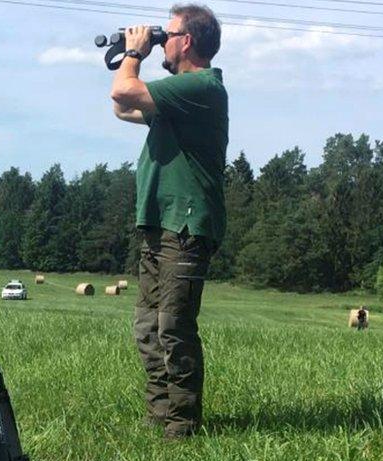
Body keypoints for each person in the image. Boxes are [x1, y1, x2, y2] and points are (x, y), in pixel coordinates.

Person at [110, 4, 228, 438]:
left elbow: (123, 92)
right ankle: (159, 417)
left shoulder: (201, 87)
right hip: (160, 225)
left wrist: (135, 54)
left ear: (187, 41)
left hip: (187, 225)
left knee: (174, 329)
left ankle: (182, 428)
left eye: (168, 32)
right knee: (148, 327)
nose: (162, 37)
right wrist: (126, 55)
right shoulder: (179, 97)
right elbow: (124, 108)